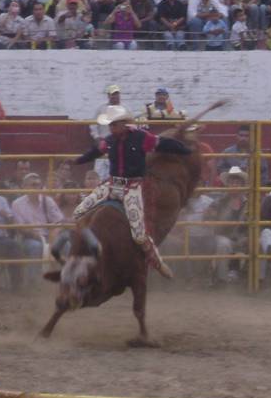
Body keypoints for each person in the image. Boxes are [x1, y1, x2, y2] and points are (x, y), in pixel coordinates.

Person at [73, 104, 192, 278]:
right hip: (112, 184)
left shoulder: (141, 137)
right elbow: (95, 152)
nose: (111, 128)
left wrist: (185, 150)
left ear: (124, 124)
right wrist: (79, 160)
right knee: (78, 213)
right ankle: (94, 246)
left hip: (132, 187)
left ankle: (158, 263)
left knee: (139, 235)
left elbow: (164, 144)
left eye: (114, 124)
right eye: (110, 125)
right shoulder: (110, 140)